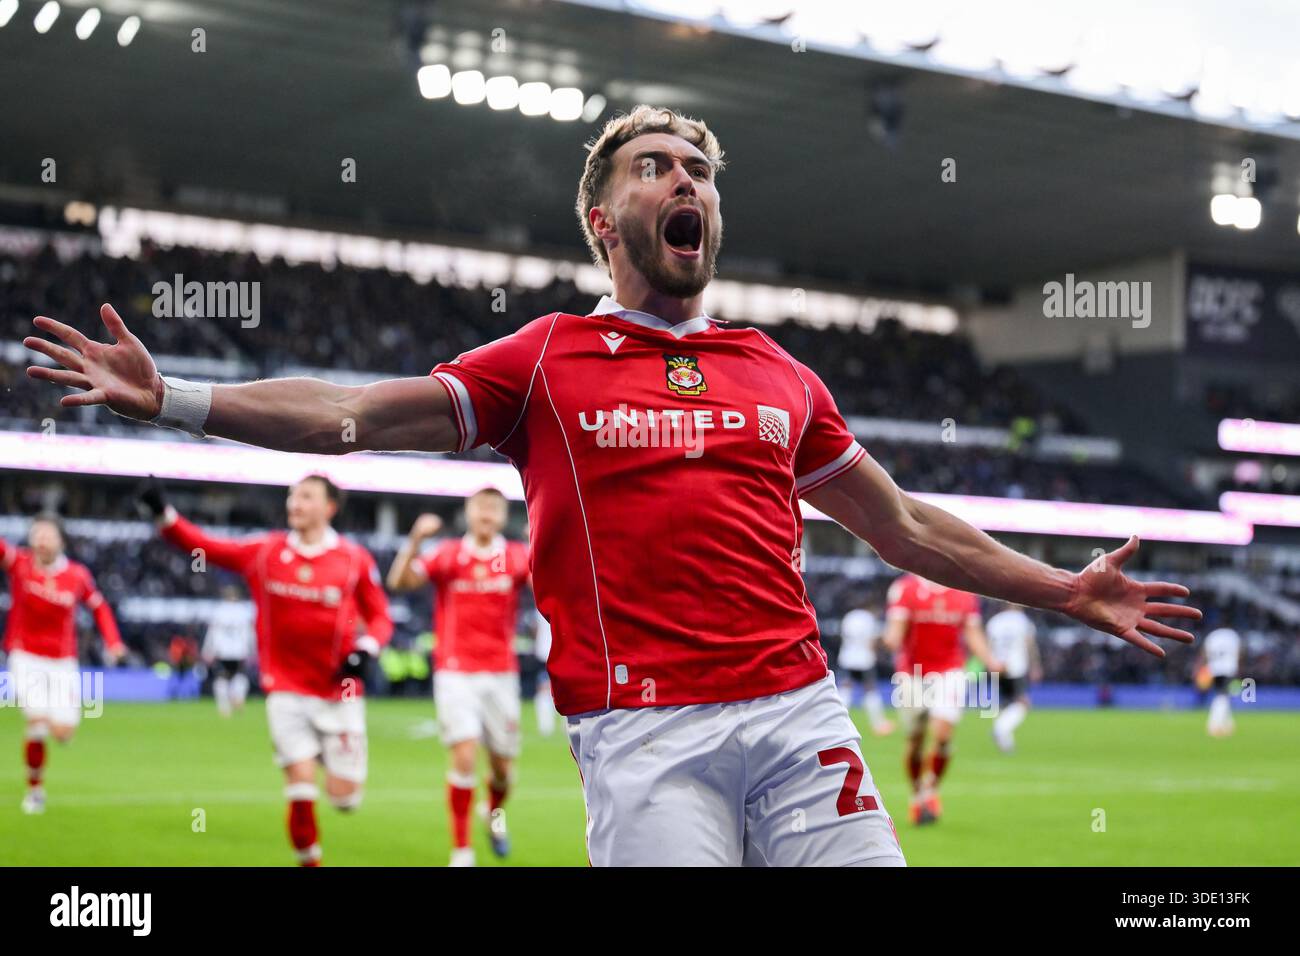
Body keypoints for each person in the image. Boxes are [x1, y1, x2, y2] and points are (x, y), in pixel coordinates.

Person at [25, 104, 1202, 866]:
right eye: (655, 166)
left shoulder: (778, 372)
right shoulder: (540, 359)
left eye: (697, 167)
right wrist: (174, 396)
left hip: (799, 716)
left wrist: (1062, 587)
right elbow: (350, 415)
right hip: (644, 734)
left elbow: (896, 524)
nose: (683, 179)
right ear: (605, 220)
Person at [141, 476, 392, 866]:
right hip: (286, 691)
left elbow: (380, 618)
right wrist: (163, 515)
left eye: (306, 496)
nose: (295, 502)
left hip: (338, 691)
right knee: (300, 788)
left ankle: (326, 755)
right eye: (292, 495)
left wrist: (367, 648)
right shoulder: (265, 551)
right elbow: (206, 548)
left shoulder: (354, 559)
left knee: (344, 799)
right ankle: (310, 860)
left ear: (329, 508)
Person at [387, 491, 531, 867]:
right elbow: (399, 582)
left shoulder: (515, 556)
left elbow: (547, 589)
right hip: (455, 672)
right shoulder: (448, 553)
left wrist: (543, 544)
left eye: (494, 508)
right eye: (480, 506)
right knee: (464, 755)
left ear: (503, 516)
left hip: (501, 672)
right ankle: (462, 850)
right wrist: (416, 541)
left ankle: (494, 816)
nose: (486, 513)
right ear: (468, 513)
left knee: (502, 769)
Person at [0, 515, 125, 814]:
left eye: (47, 535)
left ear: (61, 540)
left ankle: (54, 736)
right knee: (38, 723)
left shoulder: (78, 576)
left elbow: (100, 607)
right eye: (36, 535)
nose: (40, 540)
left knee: (63, 731)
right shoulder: (20, 564)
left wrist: (113, 641)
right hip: (25, 656)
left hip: (62, 662)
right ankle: (35, 791)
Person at [884, 574, 1001, 825]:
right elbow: (895, 631)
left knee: (943, 733)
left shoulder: (963, 592)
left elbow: (973, 634)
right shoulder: (905, 589)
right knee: (916, 740)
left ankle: (930, 790)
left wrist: (990, 660)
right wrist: (888, 641)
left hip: (949, 672)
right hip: (912, 674)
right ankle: (916, 795)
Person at [985, 602, 1041, 753]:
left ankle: (1006, 741)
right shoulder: (1022, 621)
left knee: (1007, 703)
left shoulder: (995, 621)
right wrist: (1035, 665)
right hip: (1016, 667)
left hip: (997, 666)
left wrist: (990, 664)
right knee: (1023, 703)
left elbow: (988, 644)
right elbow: (1029, 644)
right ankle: (1001, 729)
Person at [837, 598, 893, 736]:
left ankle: (838, 723)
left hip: (847, 657)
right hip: (864, 659)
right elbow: (871, 641)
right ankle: (878, 723)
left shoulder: (849, 617)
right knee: (870, 689)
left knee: (845, 689)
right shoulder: (868, 618)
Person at [203, 585, 256, 717]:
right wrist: (252, 650)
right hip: (239, 651)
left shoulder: (218, 611)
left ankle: (224, 707)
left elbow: (212, 632)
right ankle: (238, 696)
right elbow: (250, 632)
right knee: (240, 676)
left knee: (221, 679)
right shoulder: (244, 611)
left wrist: (208, 650)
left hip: (223, 651)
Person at [1201, 626, 1241, 737]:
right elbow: (1238, 653)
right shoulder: (1232, 635)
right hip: (1228, 668)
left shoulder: (1212, 636)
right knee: (1222, 696)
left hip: (1214, 668)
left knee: (1222, 695)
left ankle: (1227, 723)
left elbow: (1205, 653)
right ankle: (1214, 724)